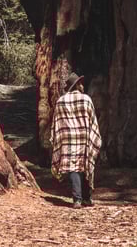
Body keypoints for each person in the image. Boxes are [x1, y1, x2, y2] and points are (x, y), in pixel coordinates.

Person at [50, 72, 102, 208]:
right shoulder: (86, 99)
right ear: (77, 85)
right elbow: (92, 120)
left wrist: (57, 137)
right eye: (80, 83)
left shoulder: (60, 101)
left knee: (73, 167)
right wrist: (93, 135)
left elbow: (57, 122)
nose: (82, 86)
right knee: (85, 165)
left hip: (68, 138)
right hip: (83, 137)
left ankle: (77, 199)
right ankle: (87, 198)